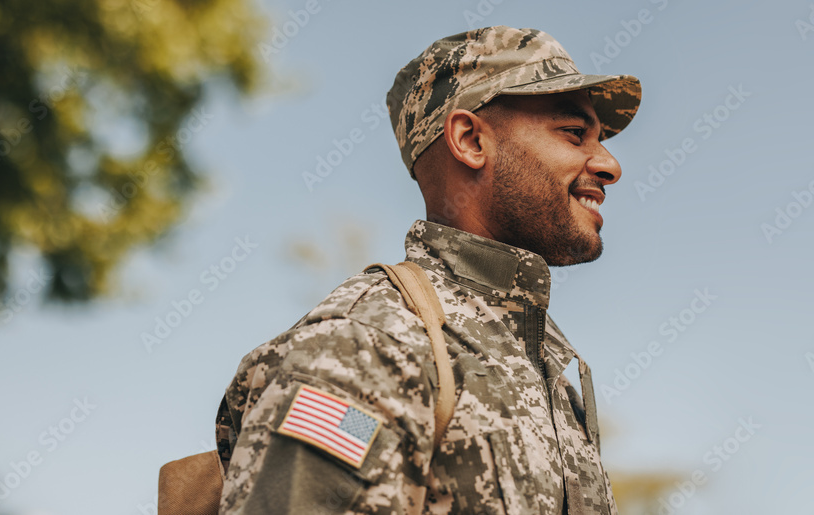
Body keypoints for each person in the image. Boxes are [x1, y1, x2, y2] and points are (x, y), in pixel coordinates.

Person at [214, 25, 641, 514]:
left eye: (600, 139)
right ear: (469, 140)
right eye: (574, 133)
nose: (610, 164)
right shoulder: (366, 346)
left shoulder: (547, 369)